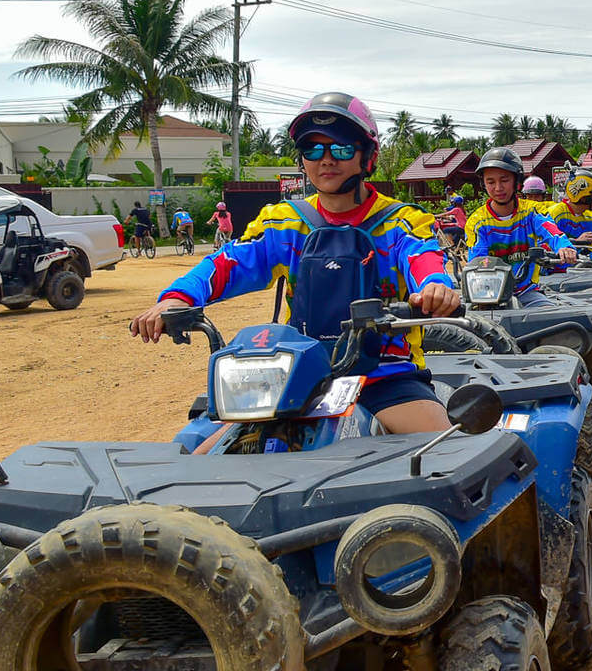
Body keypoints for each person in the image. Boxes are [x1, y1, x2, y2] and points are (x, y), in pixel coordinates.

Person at [128, 92, 460, 434]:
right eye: (312, 149)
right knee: (200, 450)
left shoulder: (402, 221)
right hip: (296, 373)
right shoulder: (283, 222)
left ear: (367, 156)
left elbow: (423, 259)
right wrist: (176, 299)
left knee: (440, 446)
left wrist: (436, 288)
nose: (326, 160)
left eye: (341, 149)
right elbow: (226, 263)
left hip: (385, 376)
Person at [466, 147, 580, 306]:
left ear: (517, 181)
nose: (498, 188)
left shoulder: (532, 211)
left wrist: (564, 246)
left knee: (551, 314)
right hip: (489, 296)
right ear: (483, 184)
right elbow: (477, 262)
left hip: (527, 292)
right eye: (491, 182)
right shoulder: (477, 222)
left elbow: (551, 231)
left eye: (504, 180)